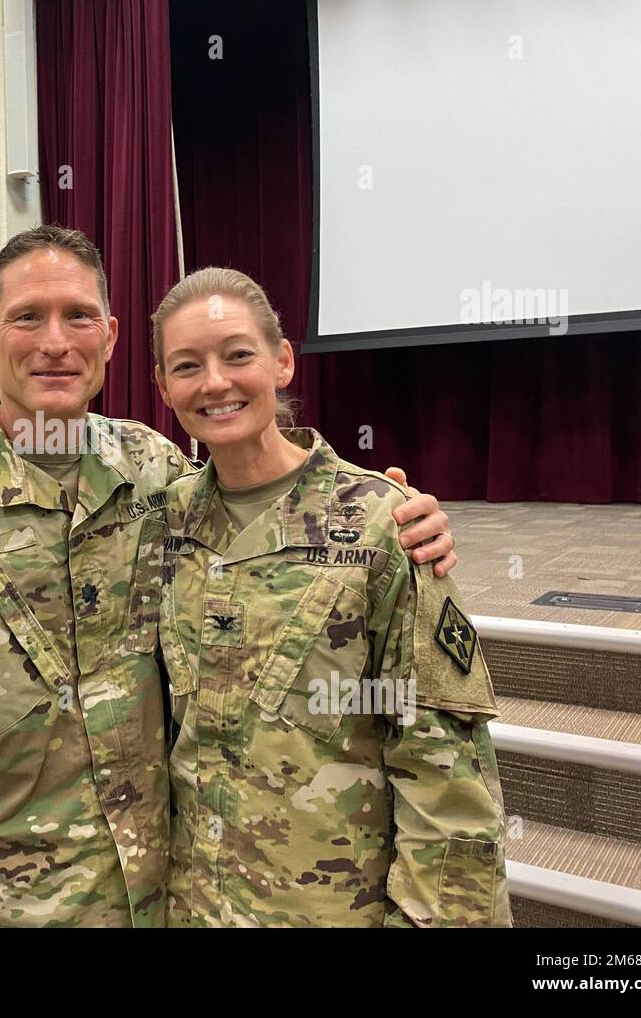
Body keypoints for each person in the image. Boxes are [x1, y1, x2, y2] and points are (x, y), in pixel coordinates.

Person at [0, 226, 457, 927]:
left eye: (79, 316)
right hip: (2, 906)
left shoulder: (153, 470)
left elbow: (264, 510)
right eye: (27, 317)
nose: (56, 341)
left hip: (158, 897)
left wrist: (388, 515)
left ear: (111, 337)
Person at [151, 266, 512, 928]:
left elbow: (446, 775)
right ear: (164, 386)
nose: (216, 382)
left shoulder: (384, 524)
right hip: (194, 906)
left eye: (238, 355)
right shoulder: (160, 524)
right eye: (187, 365)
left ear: (282, 360)